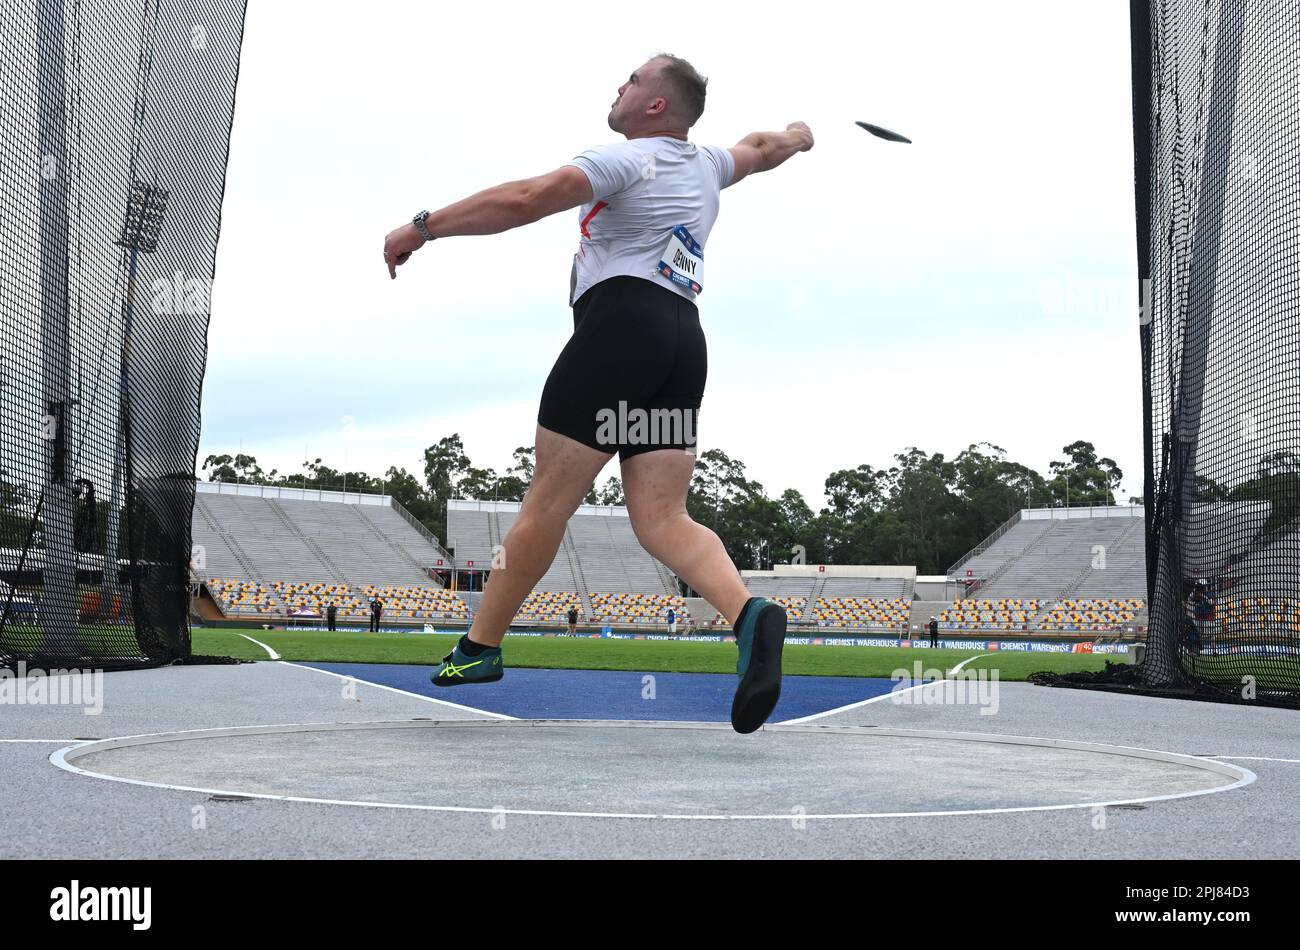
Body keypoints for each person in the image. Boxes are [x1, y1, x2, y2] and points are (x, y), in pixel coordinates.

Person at [384, 54, 812, 734]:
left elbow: (526, 198)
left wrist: (424, 226)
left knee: (546, 500)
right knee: (663, 517)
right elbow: (761, 149)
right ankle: (748, 614)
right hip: (681, 341)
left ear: (655, 108)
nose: (620, 86)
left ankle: (479, 648)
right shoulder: (706, 165)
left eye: (633, 81)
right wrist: (798, 135)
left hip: (619, 329)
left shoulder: (625, 159)